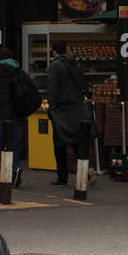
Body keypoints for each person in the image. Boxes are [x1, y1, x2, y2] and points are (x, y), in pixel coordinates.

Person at [47, 41, 94, 197]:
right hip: (77, 108)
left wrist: (51, 106)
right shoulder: (75, 64)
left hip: (61, 109)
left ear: (54, 52)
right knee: (75, 140)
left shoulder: (56, 65)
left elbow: (53, 88)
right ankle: (86, 170)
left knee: (59, 143)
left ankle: (62, 177)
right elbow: (84, 86)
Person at [0, 47, 28, 188]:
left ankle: (11, 171)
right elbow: (30, 89)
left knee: (1, 144)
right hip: (18, 113)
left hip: (2, 115)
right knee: (15, 142)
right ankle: (15, 169)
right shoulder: (19, 72)